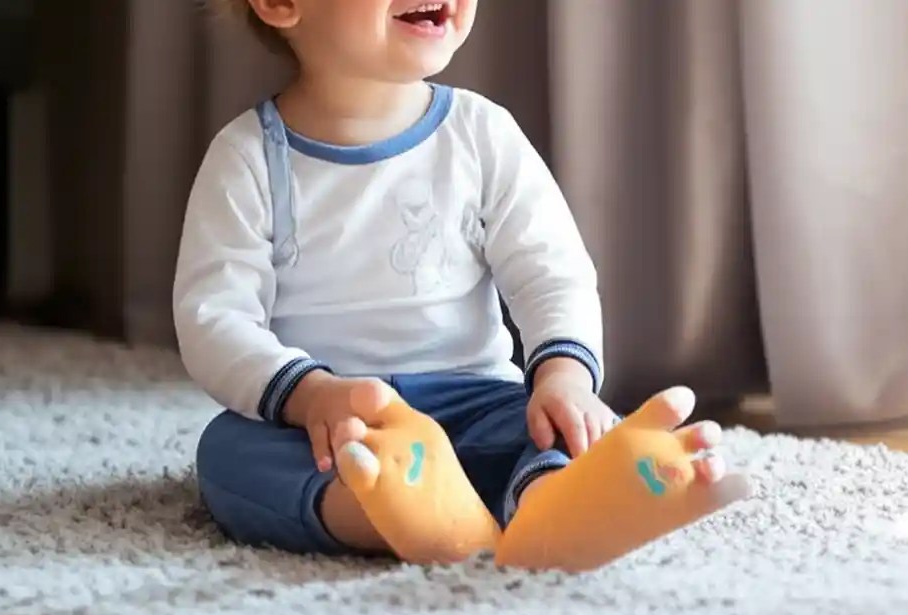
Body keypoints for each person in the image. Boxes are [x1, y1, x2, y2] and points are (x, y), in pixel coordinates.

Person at [174, 0, 751, 573]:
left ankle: (553, 506)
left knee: (553, 428)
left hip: (475, 400)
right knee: (229, 453)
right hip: (332, 423)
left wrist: (564, 380)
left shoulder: (481, 134)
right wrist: (311, 395)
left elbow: (552, 273)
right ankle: (385, 510)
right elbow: (215, 319)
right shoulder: (247, 157)